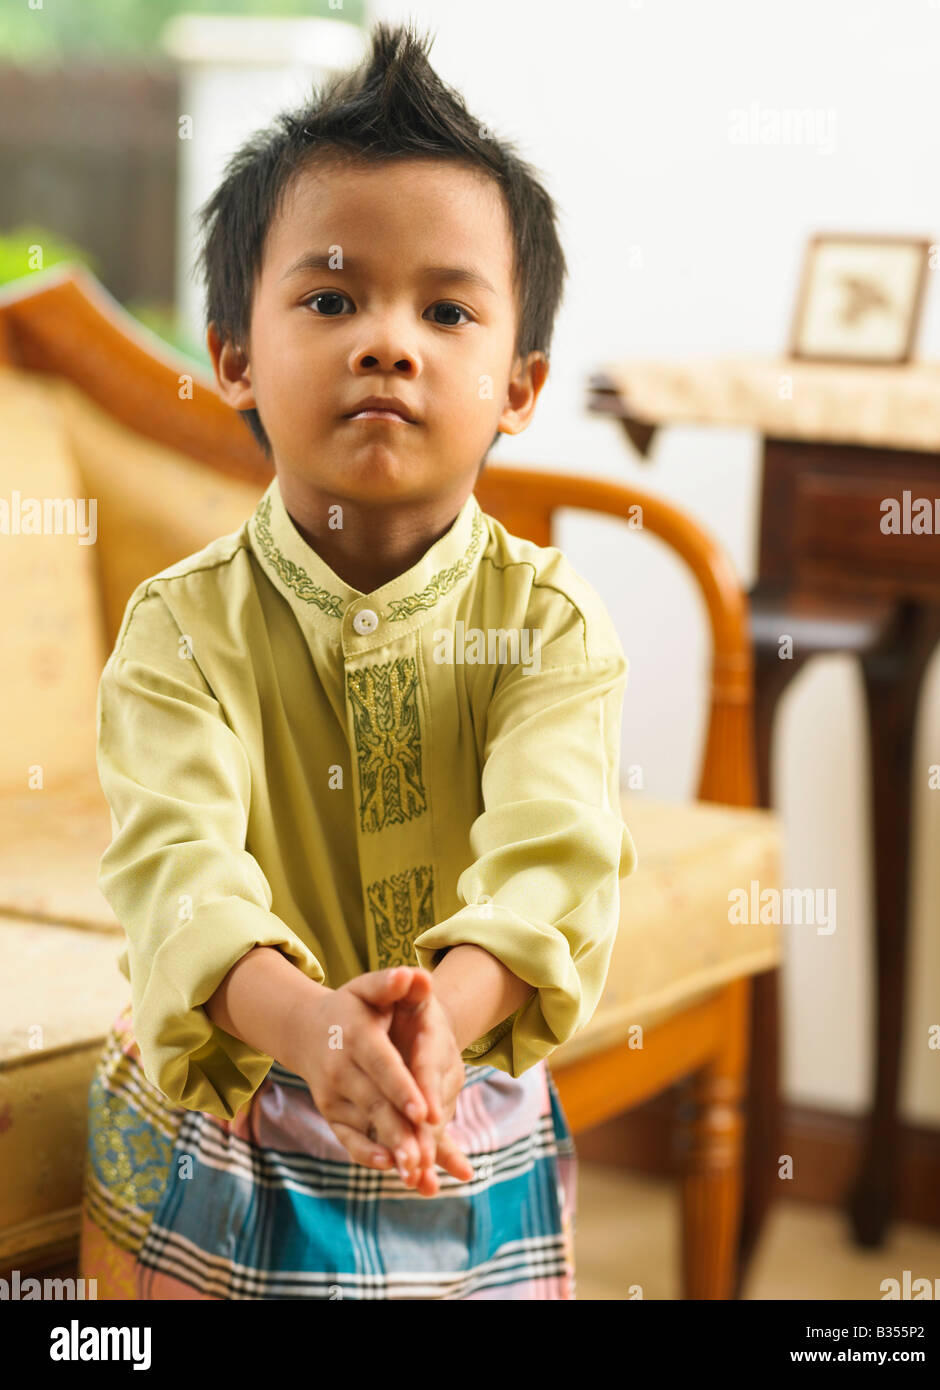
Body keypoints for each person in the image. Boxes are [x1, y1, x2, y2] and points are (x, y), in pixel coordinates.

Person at [80, 18, 637, 1301]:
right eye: (331, 298)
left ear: (519, 384)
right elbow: (178, 875)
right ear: (234, 358)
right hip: (219, 1113)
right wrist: (309, 1024)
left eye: (446, 308)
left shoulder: (549, 627)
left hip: (461, 1099)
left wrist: (447, 1010)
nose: (389, 339)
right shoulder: (179, 631)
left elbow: (555, 861)